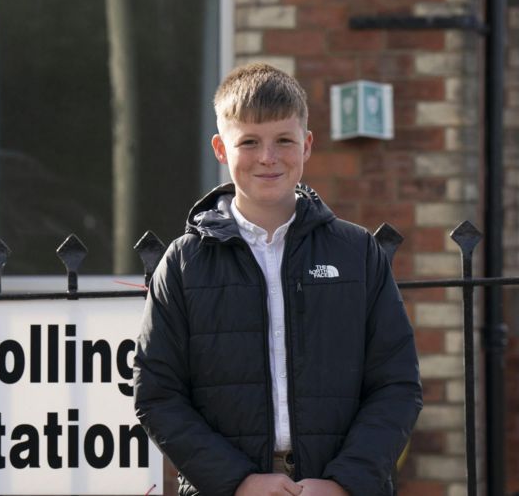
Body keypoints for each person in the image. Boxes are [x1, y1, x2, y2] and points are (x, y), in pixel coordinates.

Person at [133, 63, 422, 496]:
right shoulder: (183, 264)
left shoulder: (358, 252)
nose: (268, 157)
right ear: (220, 148)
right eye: (249, 141)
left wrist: (344, 483)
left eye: (283, 140)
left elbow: (396, 384)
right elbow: (158, 394)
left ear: (306, 145)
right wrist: (238, 482)